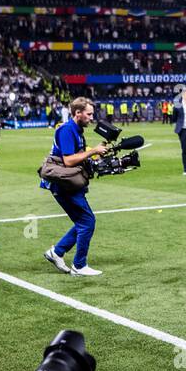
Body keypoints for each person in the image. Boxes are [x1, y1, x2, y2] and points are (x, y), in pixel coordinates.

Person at [41, 97, 107, 278]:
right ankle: (79, 265)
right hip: (63, 184)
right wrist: (93, 152)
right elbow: (68, 160)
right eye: (89, 114)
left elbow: (78, 155)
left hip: (68, 183)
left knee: (83, 222)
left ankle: (57, 252)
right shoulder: (67, 130)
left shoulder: (76, 130)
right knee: (87, 221)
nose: (91, 118)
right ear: (77, 113)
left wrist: (94, 154)